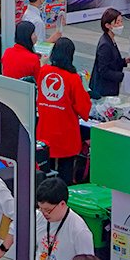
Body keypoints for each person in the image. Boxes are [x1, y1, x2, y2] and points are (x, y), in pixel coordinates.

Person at [35, 37, 91, 184]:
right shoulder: (73, 79)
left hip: (45, 131)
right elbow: (84, 110)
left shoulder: (44, 71)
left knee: (45, 174)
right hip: (66, 134)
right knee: (65, 176)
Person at [88, 9, 127, 100]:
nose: (120, 25)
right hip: (103, 90)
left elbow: (113, 61)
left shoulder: (111, 40)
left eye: (121, 21)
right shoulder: (105, 45)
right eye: (117, 22)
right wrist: (123, 76)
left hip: (109, 88)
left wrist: (125, 61)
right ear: (108, 25)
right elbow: (103, 70)